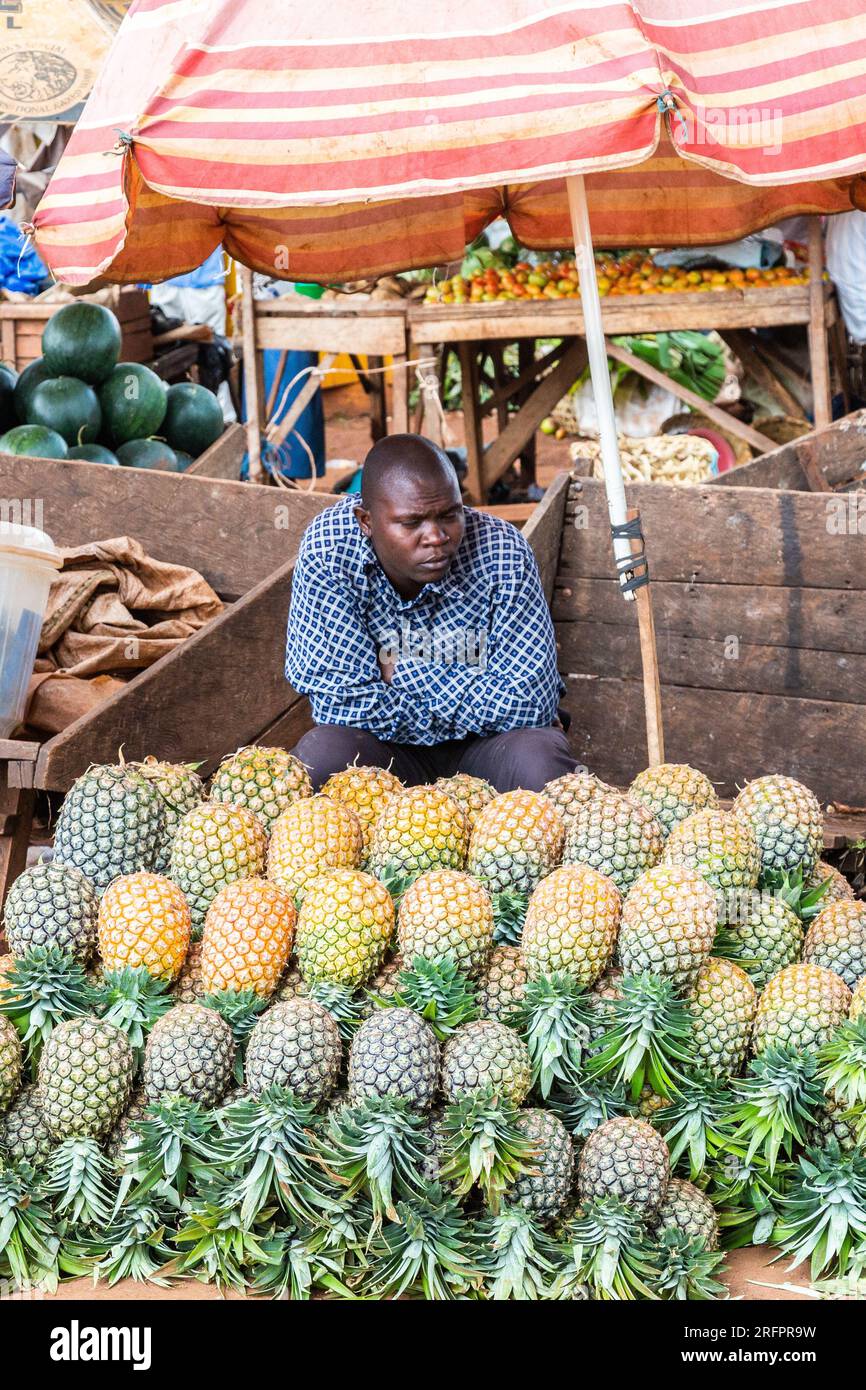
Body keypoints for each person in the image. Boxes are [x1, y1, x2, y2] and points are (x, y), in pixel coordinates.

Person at [285, 433, 576, 792]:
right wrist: (473, 683)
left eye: (450, 515)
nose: (436, 536)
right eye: (412, 523)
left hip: (487, 748)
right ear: (366, 521)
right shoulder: (330, 549)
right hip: (386, 750)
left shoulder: (503, 552)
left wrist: (397, 671)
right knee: (322, 754)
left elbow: (530, 700)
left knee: (540, 761)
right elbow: (338, 703)